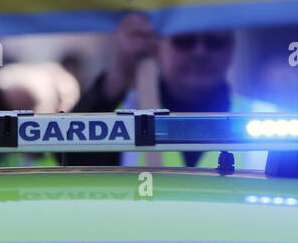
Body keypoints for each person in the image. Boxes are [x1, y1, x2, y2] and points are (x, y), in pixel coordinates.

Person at [72, 13, 275, 167]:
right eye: (185, 41)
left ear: (232, 48)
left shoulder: (270, 122)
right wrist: (118, 76)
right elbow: (69, 159)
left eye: (215, 42)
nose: (200, 52)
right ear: (158, 48)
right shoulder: (123, 116)